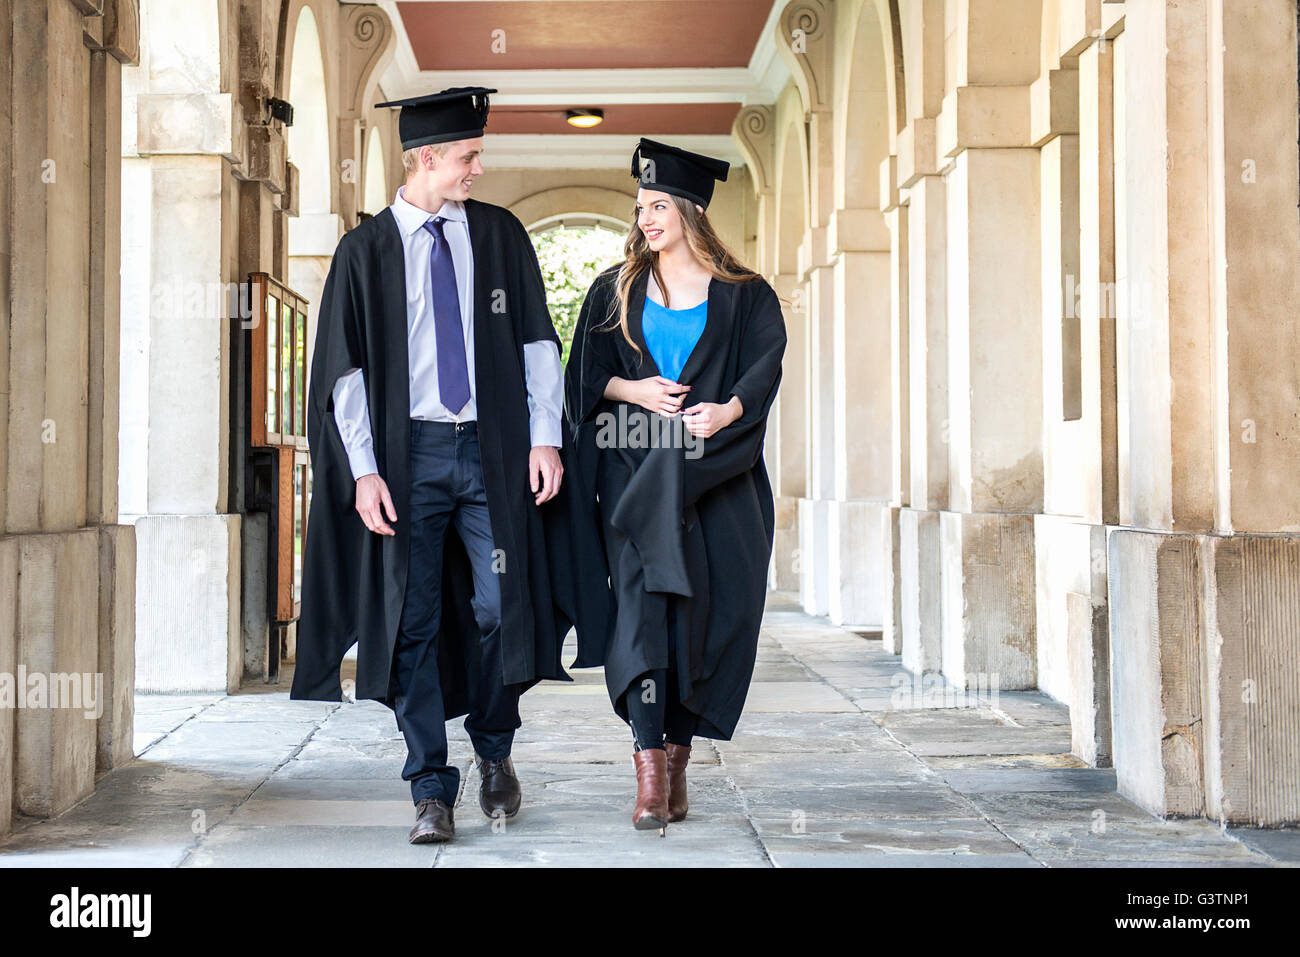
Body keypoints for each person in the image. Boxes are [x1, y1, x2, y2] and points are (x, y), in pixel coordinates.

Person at [290, 87, 571, 845]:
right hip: (408, 459)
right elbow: (343, 375)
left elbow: (537, 344)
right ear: (426, 158)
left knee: (499, 605)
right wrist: (365, 472)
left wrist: (545, 436)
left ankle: (495, 744)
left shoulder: (502, 236)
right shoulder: (365, 251)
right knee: (410, 620)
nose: (478, 168)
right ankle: (429, 786)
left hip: (492, 451)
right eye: (468, 156)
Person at [560, 137, 787, 833]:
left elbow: (764, 367)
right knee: (642, 620)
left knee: (710, 621)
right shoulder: (615, 289)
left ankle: (678, 758)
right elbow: (582, 378)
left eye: (658, 205)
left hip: (720, 483)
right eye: (639, 206)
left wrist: (726, 410)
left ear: (690, 211)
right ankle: (649, 772)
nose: (645, 218)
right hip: (634, 483)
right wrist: (634, 388)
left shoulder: (747, 297)